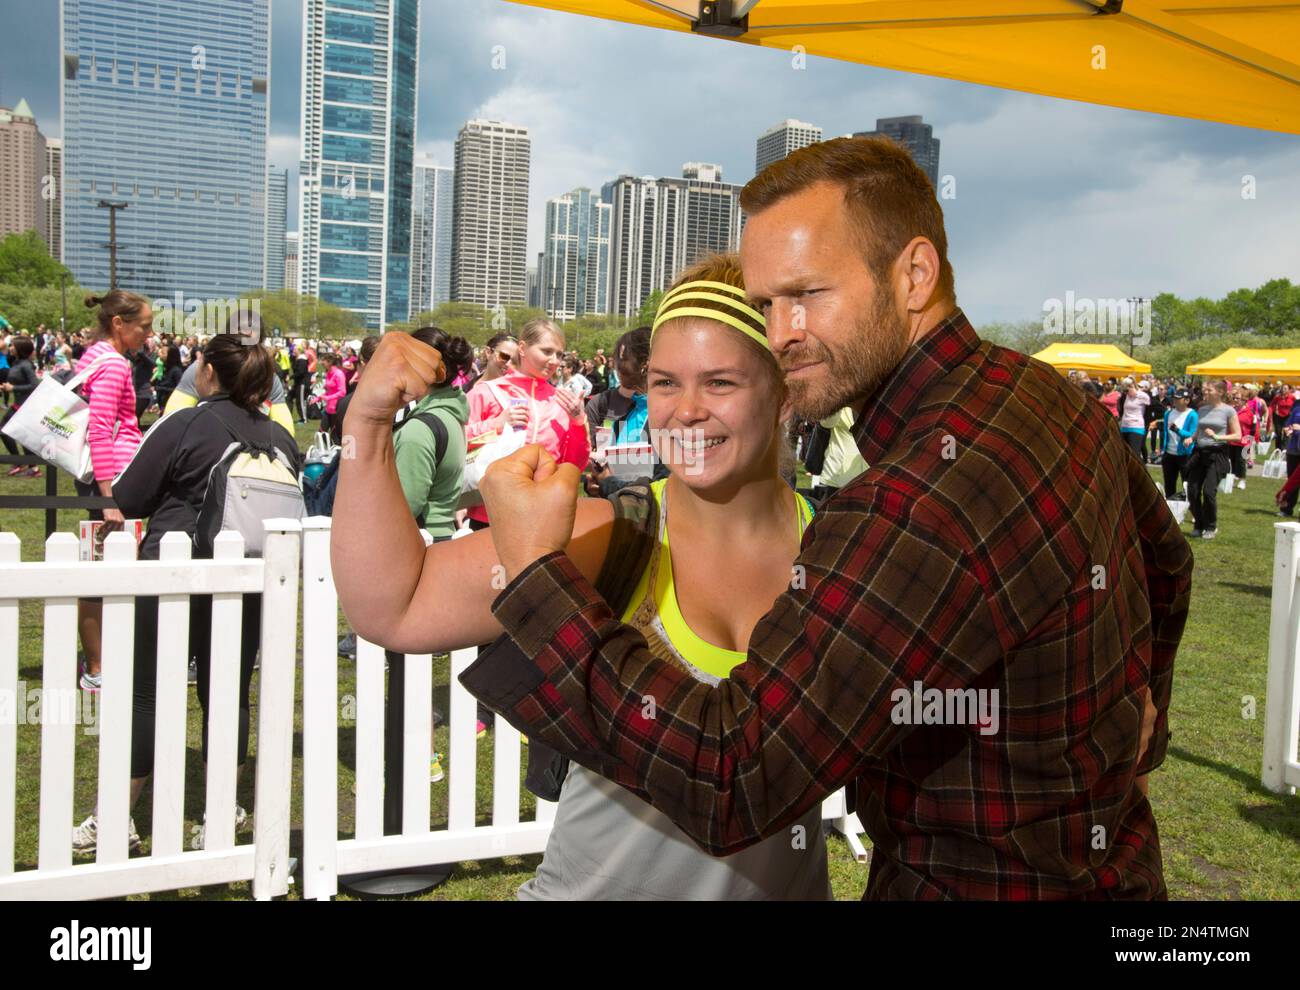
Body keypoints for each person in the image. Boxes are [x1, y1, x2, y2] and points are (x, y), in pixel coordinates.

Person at [450, 136, 1190, 900]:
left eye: (807, 294)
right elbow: (1168, 563)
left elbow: (734, 775)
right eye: (768, 304)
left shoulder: (916, 499)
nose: (782, 332)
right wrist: (1140, 712)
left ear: (914, 274)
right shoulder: (1041, 395)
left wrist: (539, 572)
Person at [332, 252, 831, 899]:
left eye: (721, 383)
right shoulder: (614, 536)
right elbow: (392, 606)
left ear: (784, 395)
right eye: (664, 383)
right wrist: (366, 427)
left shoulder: (833, 545)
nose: (685, 411)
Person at [70, 334, 302, 855]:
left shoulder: (186, 423)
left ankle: (115, 817)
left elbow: (129, 497)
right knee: (228, 694)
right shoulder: (281, 437)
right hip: (247, 581)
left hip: (174, 579)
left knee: (147, 693)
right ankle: (221, 810)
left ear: (209, 372)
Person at [75, 291, 154, 692]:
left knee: (101, 571)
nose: (149, 333)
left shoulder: (94, 356)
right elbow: (100, 430)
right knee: (100, 573)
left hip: (106, 478)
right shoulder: (114, 365)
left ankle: (101, 660)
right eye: (144, 325)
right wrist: (109, 498)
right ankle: (97, 667)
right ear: (119, 324)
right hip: (111, 480)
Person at [1184, 380, 1240, 540]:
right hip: (1200, 452)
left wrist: (1217, 436)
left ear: (1220, 393)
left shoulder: (1228, 411)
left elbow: (1238, 435)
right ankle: (1198, 524)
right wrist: (1191, 438)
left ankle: (1211, 526)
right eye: (1204, 390)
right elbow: (1198, 431)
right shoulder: (1202, 409)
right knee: (1192, 491)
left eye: (1208, 390)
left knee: (1209, 491)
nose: (1205, 393)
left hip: (1217, 453)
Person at [1, 336, 40, 476]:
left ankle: (21, 463)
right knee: (23, 436)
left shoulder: (25, 365)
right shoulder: (17, 362)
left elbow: (35, 385)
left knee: (4, 431)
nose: (10, 347)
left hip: (25, 406)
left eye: (12, 345)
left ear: (20, 348)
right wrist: (6, 387)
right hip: (19, 404)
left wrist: (14, 388)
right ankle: (32, 467)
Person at [1160, 388, 1197, 499]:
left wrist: (1177, 430)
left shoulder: (1192, 415)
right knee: (1169, 485)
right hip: (1169, 454)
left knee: (1187, 484)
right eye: (1174, 398)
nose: (1174, 400)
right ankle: (1171, 511)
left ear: (1187, 400)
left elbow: (1192, 434)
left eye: (1178, 399)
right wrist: (1162, 448)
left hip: (1185, 455)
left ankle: (1191, 509)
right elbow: (1166, 433)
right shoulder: (1168, 413)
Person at [318, 352, 347, 435]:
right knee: (321, 433)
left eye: (323, 360)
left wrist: (328, 398)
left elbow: (342, 392)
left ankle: (336, 447)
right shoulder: (328, 373)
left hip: (337, 409)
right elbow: (330, 390)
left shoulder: (339, 374)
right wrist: (319, 397)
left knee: (335, 436)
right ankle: (330, 447)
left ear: (330, 362)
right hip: (328, 409)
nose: (321, 363)